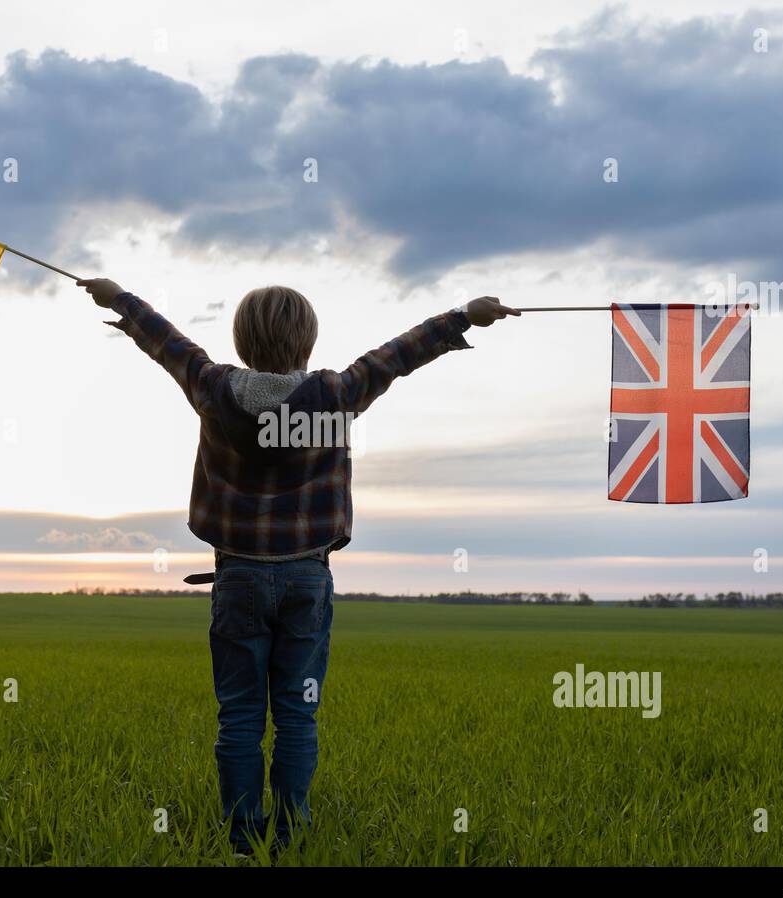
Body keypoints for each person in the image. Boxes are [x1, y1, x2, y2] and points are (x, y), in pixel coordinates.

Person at [79, 276, 520, 854]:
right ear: (307, 340)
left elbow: (165, 340)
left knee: (238, 716)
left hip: (236, 578)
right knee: (297, 716)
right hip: (307, 581)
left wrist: (118, 299)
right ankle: (288, 837)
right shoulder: (336, 393)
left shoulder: (212, 386)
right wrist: (466, 313)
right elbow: (402, 352)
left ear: (242, 339)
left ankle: (240, 839)